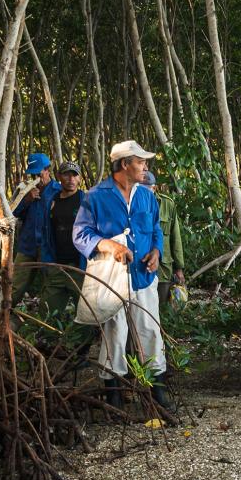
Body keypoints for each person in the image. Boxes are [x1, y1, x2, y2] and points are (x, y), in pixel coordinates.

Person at [73, 140, 170, 411]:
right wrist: (110, 245)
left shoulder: (146, 196)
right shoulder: (95, 196)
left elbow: (155, 230)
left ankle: (155, 393)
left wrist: (156, 252)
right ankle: (113, 394)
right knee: (115, 333)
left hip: (143, 276)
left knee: (150, 330)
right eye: (140, 162)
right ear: (124, 164)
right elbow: (80, 234)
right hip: (113, 278)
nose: (145, 166)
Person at [38, 161, 88, 319]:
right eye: (66, 174)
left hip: (79, 267)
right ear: (59, 176)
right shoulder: (51, 201)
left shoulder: (86, 201)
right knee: (47, 313)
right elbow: (45, 232)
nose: (71, 179)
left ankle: (82, 343)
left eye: (75, 175)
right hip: (56, 266)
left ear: (79, 178)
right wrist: (47, 262)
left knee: (85, 313)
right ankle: (47, 341)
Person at [12, 153, 61, 306]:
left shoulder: (58, 191)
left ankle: (46, 319)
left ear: (48, 170)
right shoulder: (25, 191)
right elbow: (12, 213)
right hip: (27, 245)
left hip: (49, 246)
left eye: (39, 173)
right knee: (16, 284)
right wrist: (27, 199)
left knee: (51, 285)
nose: (36, 177)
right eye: (33, 174)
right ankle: (4, 315)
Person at [141, 171, 185, 308]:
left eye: (147, 189)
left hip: (163, 267)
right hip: (141, 265)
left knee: (163, 307)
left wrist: (179, 268)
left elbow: (175, 237)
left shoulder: (167, 204)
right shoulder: (131, 203)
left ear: (154, 188)